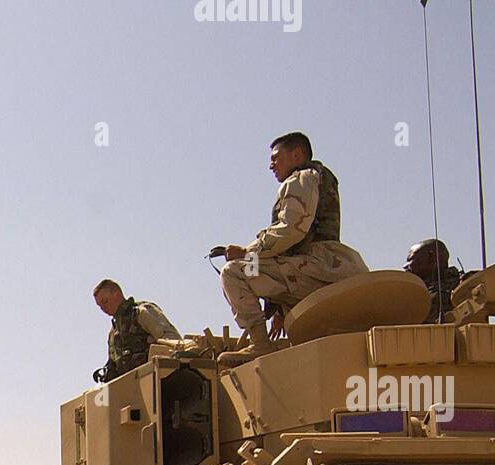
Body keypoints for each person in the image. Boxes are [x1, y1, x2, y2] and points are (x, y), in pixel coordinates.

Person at [218, 133, 368, 366]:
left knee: (234, 272)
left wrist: (248, 252)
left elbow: (291, 230)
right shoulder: (318, 178)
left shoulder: (301, 178)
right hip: (324, 268)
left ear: (297, 155)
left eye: (276, 158)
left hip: (318, 267)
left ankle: (260, 345)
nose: (271, 165)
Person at [93, 280, 181, 384]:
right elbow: (114, 364)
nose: (103, 308)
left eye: (105, 302)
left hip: (157, 384)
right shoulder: (113, 333)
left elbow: (172, 341)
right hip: (130, 391)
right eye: (100, 306)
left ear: (116, 293)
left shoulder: (141, 313)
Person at [405, 239, 464, 323]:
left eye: (411, 260)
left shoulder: (462, 286)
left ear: (431, 257)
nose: (406, 266)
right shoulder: (412, 290)